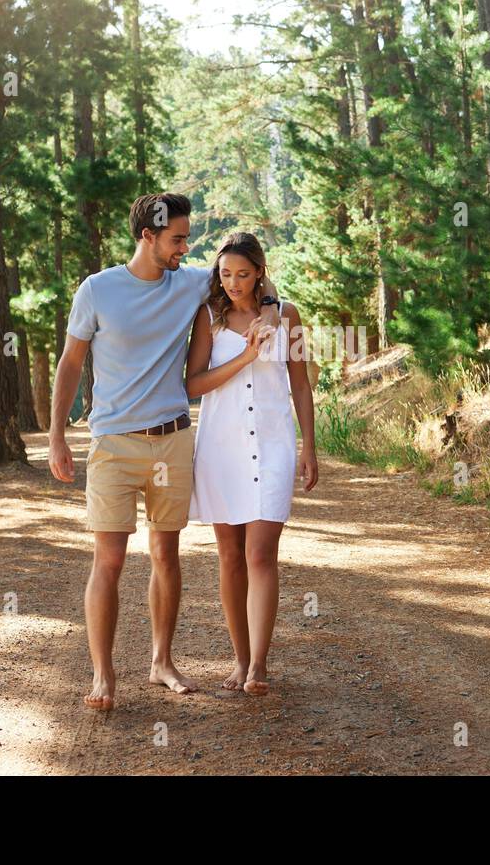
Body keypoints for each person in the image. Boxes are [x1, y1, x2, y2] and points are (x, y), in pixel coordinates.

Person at [48, 194, 279, 711]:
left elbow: (253, 280)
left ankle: (161, 661)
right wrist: (56, 435)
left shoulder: (190, 282)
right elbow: (70, 363)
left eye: (187, 238)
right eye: (177, 239)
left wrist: (266, 312)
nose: (185, 248)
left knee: (166, 555)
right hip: (113, 442)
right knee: (109, 559)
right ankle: (103, 674)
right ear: (147, 236)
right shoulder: (97, 290)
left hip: (172, 440)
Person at [185, 231, 318, 696]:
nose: (234, 283)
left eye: (243, 274)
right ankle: (239, 660)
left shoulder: (287, 316)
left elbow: (300, 384)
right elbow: (192, 385)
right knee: (229, 556)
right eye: (226, 274)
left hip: (274, 443)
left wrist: (309, 446)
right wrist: (245, 357)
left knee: (260, 554)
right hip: (221, 448)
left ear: (260, 272)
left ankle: (259, 664)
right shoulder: (208, 317)